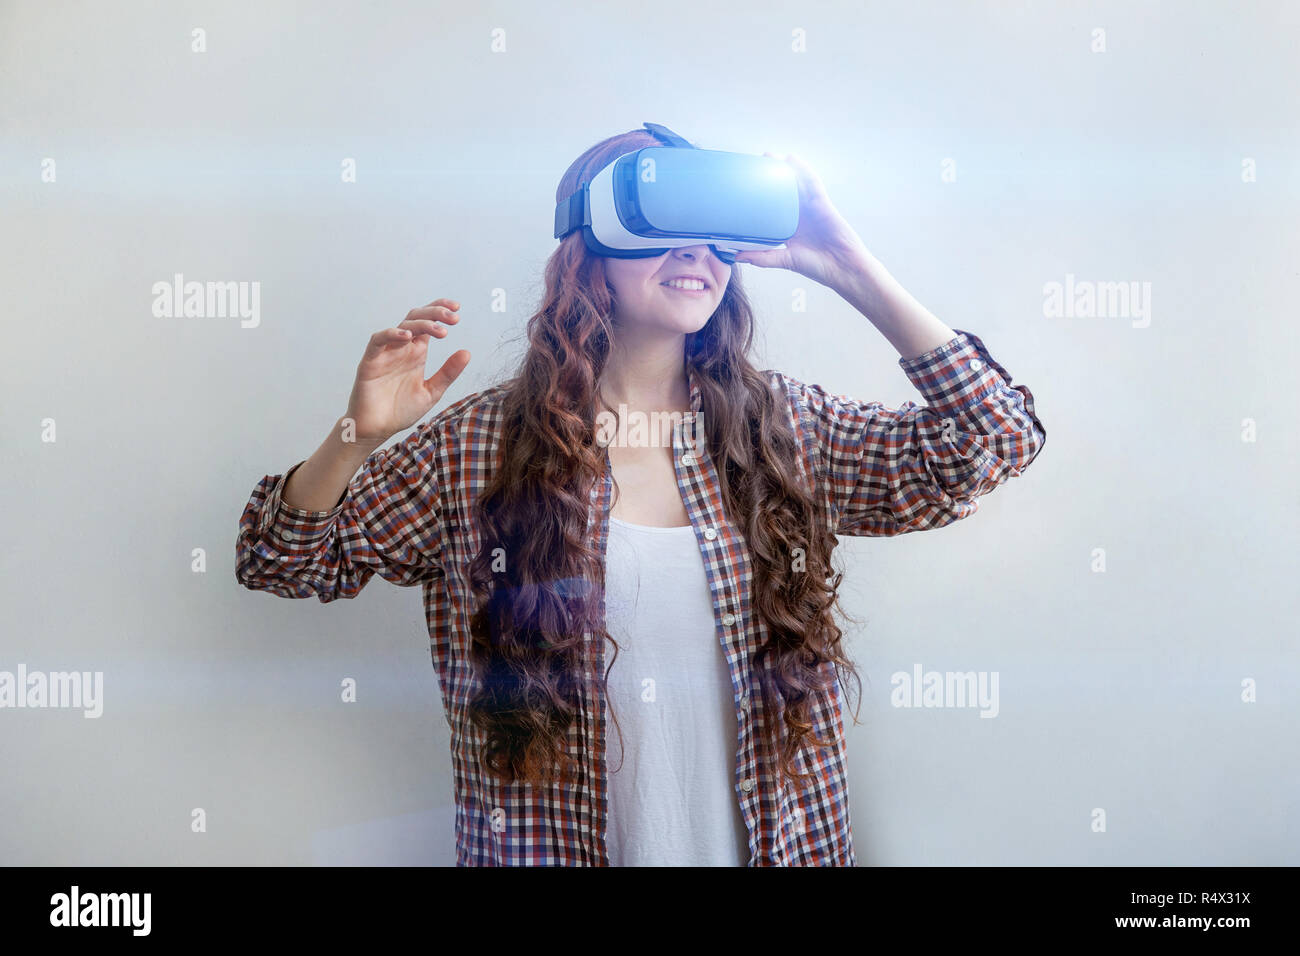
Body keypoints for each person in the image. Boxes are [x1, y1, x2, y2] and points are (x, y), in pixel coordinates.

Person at [235, 126, 1047, 866]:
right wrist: (357, 435)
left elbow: (995, 440)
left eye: (715, 234)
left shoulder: (787, 430)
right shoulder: (476, 448)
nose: (695, 253)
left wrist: (848, 268)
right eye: (661, 227)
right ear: (589, 251)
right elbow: (284, 561)